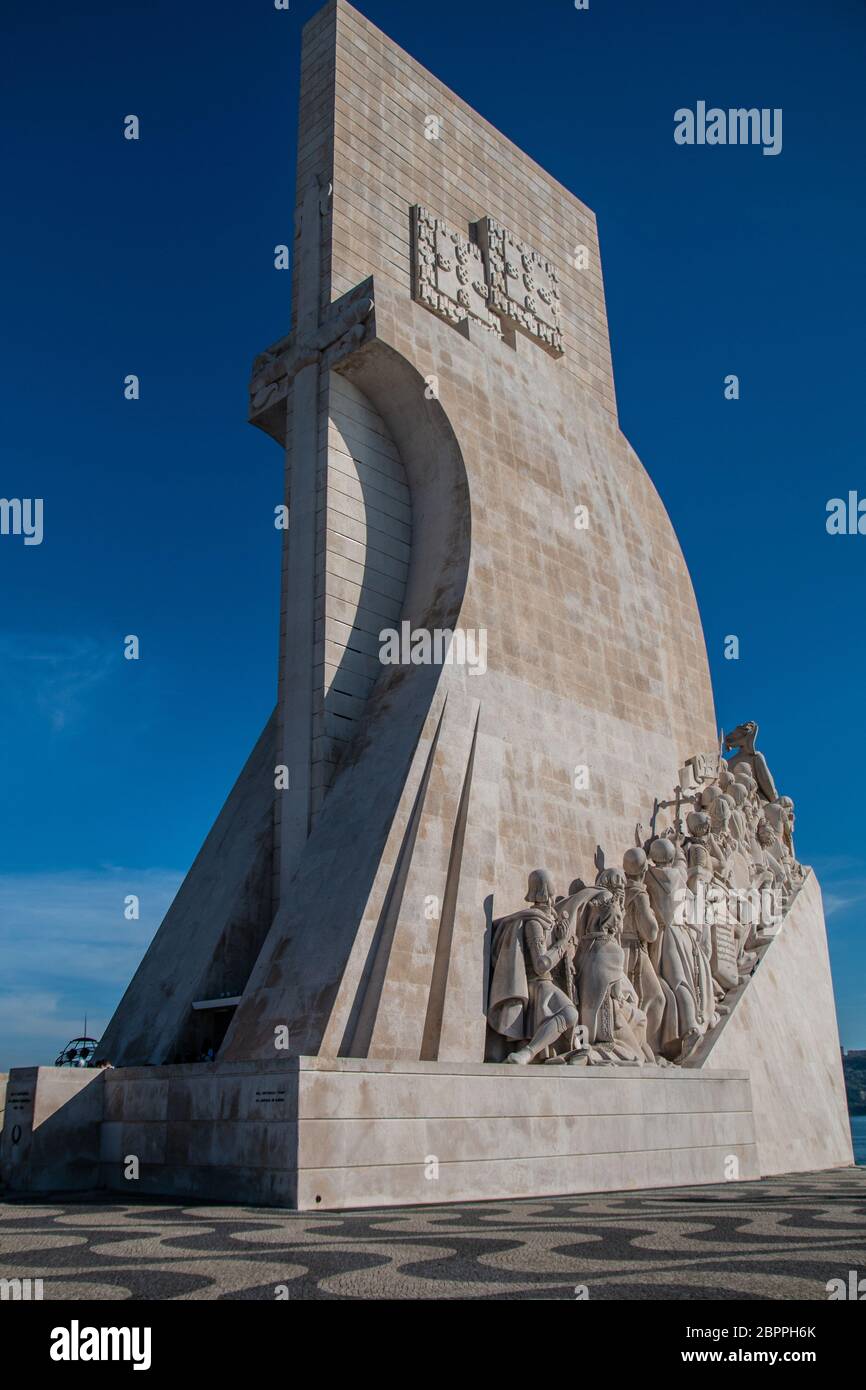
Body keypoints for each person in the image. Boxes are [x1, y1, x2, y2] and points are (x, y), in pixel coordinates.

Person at [487, 869, 579, 1065]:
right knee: (570, 1013)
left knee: (572, 1018)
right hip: (537, 983)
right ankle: (527, 1054)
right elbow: (541, 964)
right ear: (549, 892)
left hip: (547, 983)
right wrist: (561, 943)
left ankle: (550, 1053)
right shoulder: (535, 923)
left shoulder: (549, 921)